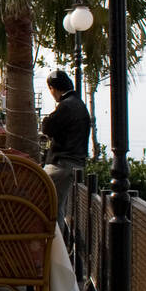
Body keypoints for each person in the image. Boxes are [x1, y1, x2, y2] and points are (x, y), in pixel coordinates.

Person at [40, 70, 91, 238]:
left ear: (53, 88)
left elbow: (48, 127)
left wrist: (46, 120)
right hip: (76, 162)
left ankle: (52, 247)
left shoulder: (66, 105)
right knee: (58, 206)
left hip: (61, 164)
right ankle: (57, 246)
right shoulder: (79, 104)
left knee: (42, 199)